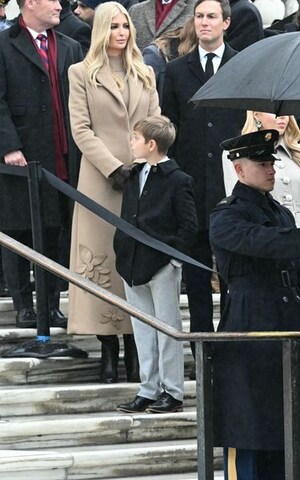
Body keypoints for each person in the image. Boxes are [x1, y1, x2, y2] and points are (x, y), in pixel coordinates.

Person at [209, 129, 300, 480]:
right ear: (239, 168)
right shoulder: (227, 214)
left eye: (273, 162)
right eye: (263, 163)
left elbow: (295, 274)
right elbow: (254, 243)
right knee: (246, 425)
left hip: (285, 322)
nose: (272, 169)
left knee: (280, 426)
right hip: (249, 325)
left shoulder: (280, 213)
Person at [222, 111, 300, 425]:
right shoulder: (234, 163)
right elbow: (247, 226)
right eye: (263, 164)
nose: (270, 168)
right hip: (275, 257)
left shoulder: (299, 151)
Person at [67, 2, 160, 383]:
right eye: (115, 26)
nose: (122, 32)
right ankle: (108, 350)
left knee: (135, 262)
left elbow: (158, 121)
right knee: (102, 260)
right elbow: (81, 128)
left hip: (140, 176)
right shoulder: (81, 73)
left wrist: (142, 161)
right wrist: (112, 166)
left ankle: (136, 349)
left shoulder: (146, 72)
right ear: (102, 29)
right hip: (99, 181)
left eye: (126, 26)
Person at [162, 0, 244, 351]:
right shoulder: (177, 70)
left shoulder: (241, 65)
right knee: (195, 275)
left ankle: (230, 344)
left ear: (226, 22)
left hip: (232, 184)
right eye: (199, 17)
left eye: (211, 17)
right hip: (192, 186)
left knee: (232, 273)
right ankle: (201, 347)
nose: (204, 23)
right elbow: (170, 125)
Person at [0, 0, 83, 330]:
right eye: (52, 0)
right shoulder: (4, 46)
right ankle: (23, 305)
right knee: (18, 229)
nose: (60, 5)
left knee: (53, 230)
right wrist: (9, 146)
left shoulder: (70, 46)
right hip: (20, 157)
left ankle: (50, 304)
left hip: (61, 156)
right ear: (30, 3)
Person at [114, 116, 196, 415]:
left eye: (135, 138)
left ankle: (172, 391)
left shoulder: (178, 179)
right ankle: (148, 389)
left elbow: (189, 225)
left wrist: (173, 259)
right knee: (142, 330)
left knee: (167, 328)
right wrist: (121, 247)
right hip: (132, 263)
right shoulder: (134, 174)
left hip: (161, 264)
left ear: (151, 144)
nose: (131, 142)